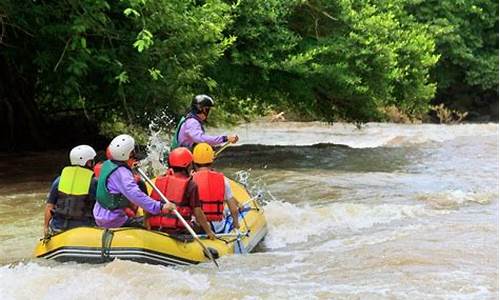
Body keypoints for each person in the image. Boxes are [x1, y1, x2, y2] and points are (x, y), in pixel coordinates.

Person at [93, 134, 175, 228]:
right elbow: (135, 194)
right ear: (127, 154)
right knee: (153, 222)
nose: (134, 155)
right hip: (113, 220)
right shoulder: (122, 173)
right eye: (132, 152)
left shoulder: (108, 164)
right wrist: (159, 207)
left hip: (99, 215)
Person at [148, 147, 216, 239]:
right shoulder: (191, 185)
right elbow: (198, 213)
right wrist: (209, 231)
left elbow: (149, 205)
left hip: (156, 228)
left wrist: (146, 223)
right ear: (187, 166)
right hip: (178, 231)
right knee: (207, 225)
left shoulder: (160, 180)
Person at [44, 145, 97, 235]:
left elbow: (49, 206)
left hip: (57, 228)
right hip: (83, 230)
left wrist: (45, 227)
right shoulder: (93, 182)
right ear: (88, 162)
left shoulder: (59, 180)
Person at [191, 143, 240, 233]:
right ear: (212, 161)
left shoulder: (189, 180)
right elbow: (234, 209)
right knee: (226, 211)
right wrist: (236, 225)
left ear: (193, 162)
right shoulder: (223, 180)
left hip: (195, 223)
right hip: (217, 226)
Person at [171, 94, 239, 150]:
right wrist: (225, 138)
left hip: (182, 154)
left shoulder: (191, 119)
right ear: (202, 109)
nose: (209, 113)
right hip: (180, 158)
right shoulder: (192, 122)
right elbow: (201, 139)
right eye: (208, 109)